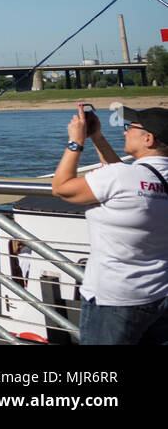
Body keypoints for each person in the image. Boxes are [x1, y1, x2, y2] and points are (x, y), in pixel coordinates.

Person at [52, 104, 168, 345]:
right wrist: (98, 137)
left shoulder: (119, 178)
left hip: (115, 300)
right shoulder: (130, 177)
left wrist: (76, 141)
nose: (125, 132)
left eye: (130, 128)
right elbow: (127, 178)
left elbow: (61, 188)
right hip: (161, 294)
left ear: (148, 139)